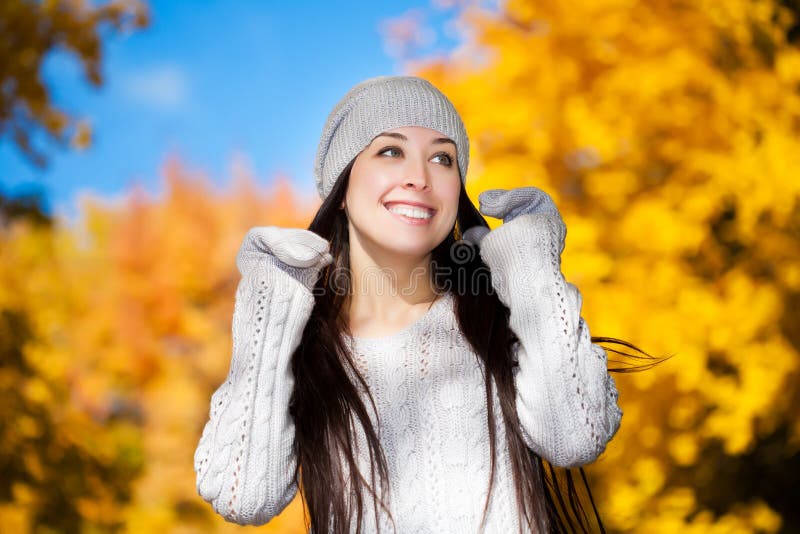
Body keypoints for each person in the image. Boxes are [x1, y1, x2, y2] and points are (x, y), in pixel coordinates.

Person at [194, 75, 625, 533]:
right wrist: (269, 303)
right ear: (341, 188)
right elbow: (242, 496)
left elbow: (579, 435)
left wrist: (531, 269)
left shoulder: (496, 314)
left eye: (442, 158)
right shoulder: (307, 349)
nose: (420, 178)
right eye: (390, 151)